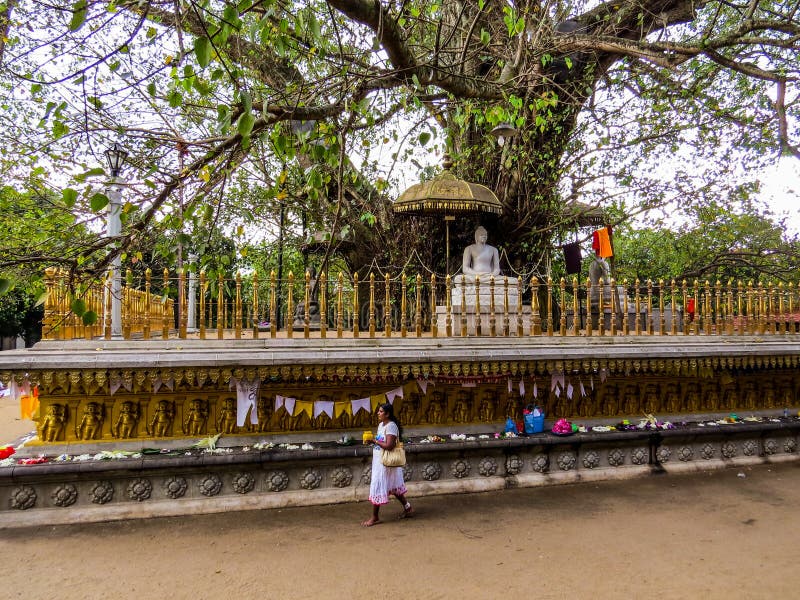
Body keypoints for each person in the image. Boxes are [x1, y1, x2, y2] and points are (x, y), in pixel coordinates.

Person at [362, 402, 413, 527]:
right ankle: (408, 507)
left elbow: (389, 446)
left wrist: (374, 440)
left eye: (380, 411)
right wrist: (372, 442)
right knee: (392, 486)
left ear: (387, 414)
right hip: (380, 460)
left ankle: (375, 517)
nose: (378, 413)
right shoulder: (381, 425)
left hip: (386, 462)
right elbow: (381, 441)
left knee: (378, 485)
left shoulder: (391, 426)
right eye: (378, 411)